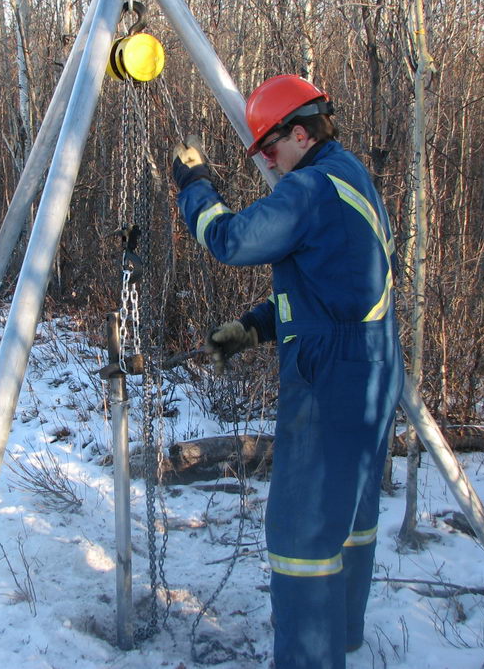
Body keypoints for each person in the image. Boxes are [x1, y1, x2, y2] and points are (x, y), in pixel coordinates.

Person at [170, 75, 404, 669]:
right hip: (368, 363)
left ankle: (309, 658)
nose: (269, 163)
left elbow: (229, 239)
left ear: (299, 133)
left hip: (332, 376)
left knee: (301, 533)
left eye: (270, 150)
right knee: (347, 519)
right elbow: (333, 288)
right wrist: (253, 325)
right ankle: (338, 637)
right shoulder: (350, 177)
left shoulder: (313, 188)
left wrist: (196, 186)